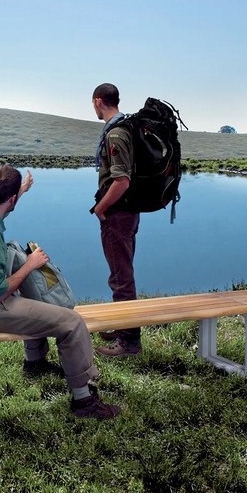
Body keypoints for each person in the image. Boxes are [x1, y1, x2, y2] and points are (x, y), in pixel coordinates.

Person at [0, 164, 120, 419]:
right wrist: (31, 264)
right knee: (72, 322)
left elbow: (3, 203)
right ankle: (84, 401)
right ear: (12, 199)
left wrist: (21, 190)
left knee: (31, 295)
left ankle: (35, 363)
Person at [91, 83, 142, 357]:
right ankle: (122, 326)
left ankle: (129, 343)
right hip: (127, 211)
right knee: (121, 272)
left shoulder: (117, 133)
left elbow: (121, 181)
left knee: (121, 277)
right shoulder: (127, 128)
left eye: (93, 104)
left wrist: (101, 208)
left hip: (118, 213)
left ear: (99, 101)